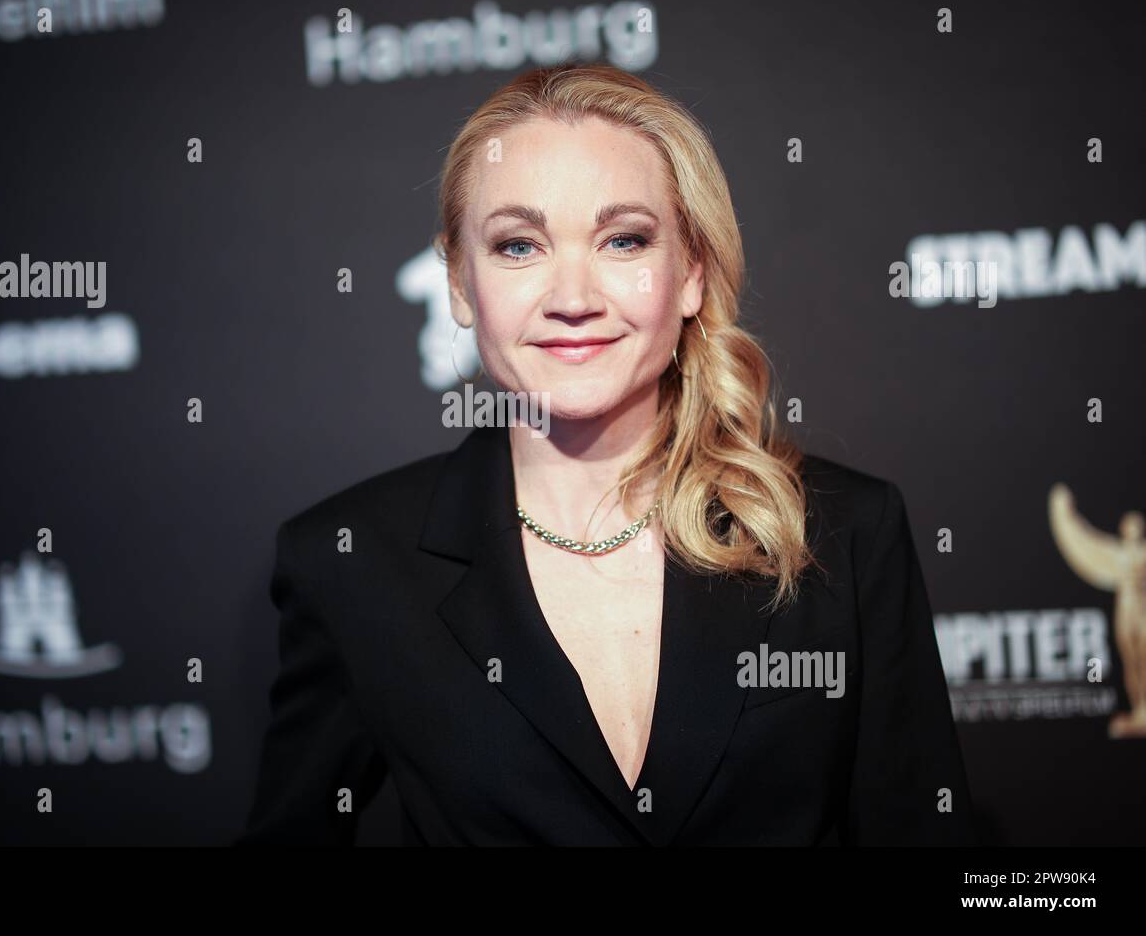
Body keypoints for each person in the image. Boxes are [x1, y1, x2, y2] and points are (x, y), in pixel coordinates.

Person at [236, 63, 976, 846]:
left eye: (623, 240)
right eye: (519, 246)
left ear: (691, 271)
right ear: (457, 281)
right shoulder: (353, 564)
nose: (574, 297)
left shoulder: (842, 532)